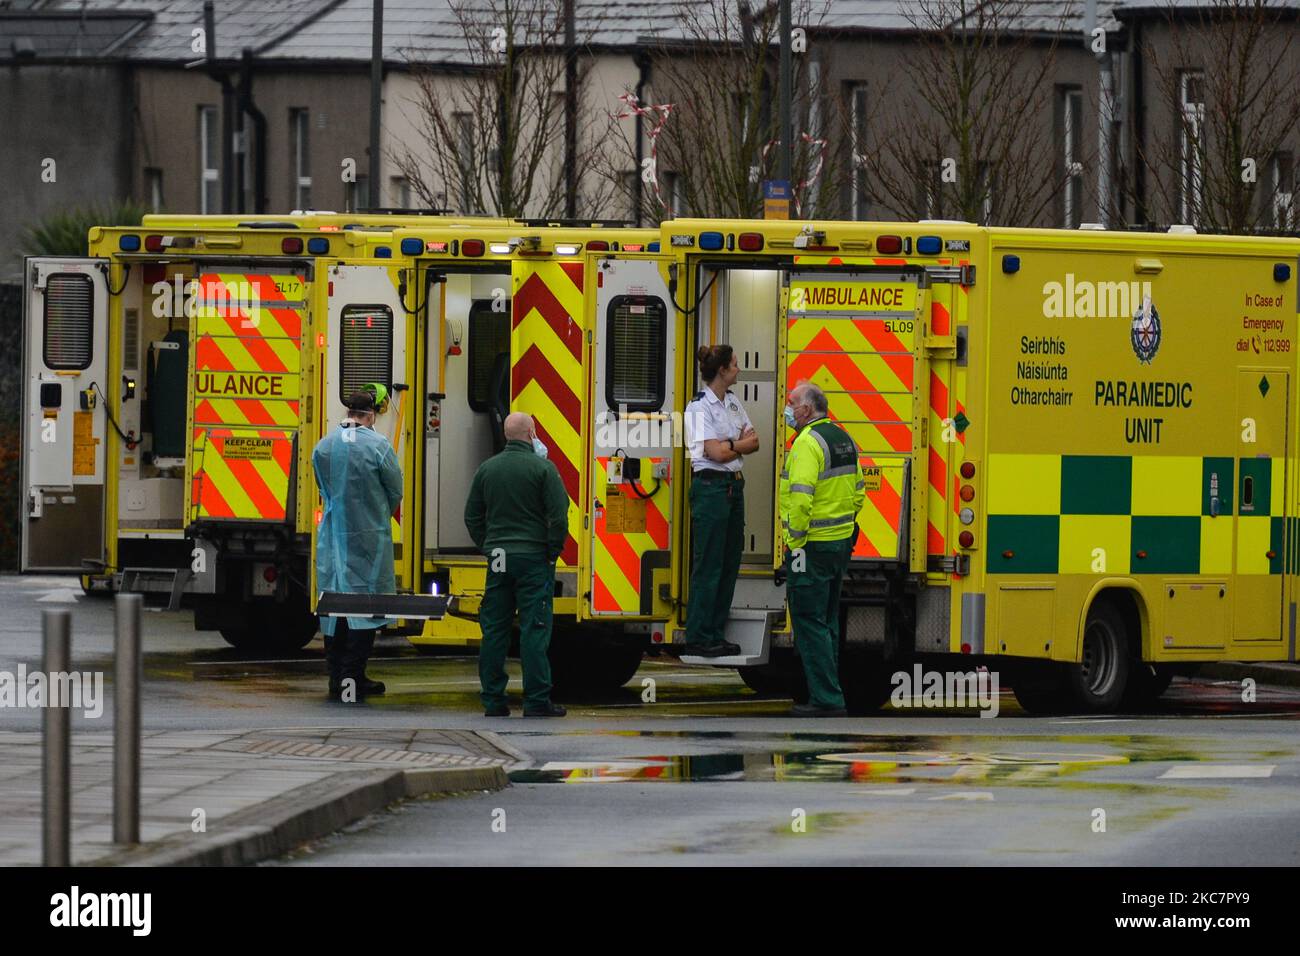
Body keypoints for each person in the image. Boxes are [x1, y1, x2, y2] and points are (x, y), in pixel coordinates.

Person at [465, 412, 569, 717]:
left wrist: (489, 545)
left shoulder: (487, 469)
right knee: (534, 628)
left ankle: (493, 701)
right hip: (533, 557)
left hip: (498, 558)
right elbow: (559, 516)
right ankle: (536, 701)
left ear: (506, 434)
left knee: (495, 628)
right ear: (532, 433)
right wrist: (552, 551)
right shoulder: (543, 469)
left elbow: (472, 516)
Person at [312, 384, 404, 702]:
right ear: (373, 415)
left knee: (335, 605)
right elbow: (395, 490)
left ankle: (337, 678)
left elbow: (323, 486)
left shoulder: (324, 446)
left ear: (348, 411)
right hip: (368, 537)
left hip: (333, 536)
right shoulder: (378, 446)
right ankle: (354, 676)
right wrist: (375, 511)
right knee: (365, 605)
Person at [778, 382, 865, 717]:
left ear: (807, 409)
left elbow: (801, 496)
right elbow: (858, 493)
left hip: (810, 547)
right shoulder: (842, 439)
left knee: (808, 619)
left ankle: (826, 699)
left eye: (792, 403)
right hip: (839, 543)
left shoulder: (806, 444)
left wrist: (794, 542)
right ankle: (830, 692)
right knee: (827, 620)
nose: (788, 409)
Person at [682, 344, 759, 657]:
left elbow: (754, 441)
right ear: (723, 370)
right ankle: (699, 635)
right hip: (711, 489)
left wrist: (731, 444)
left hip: (732, 487)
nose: (739, 369)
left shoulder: (732, 402)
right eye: (736, 364)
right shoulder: (697, 408)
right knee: (709, 565)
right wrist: (734, 444)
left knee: (728, 564)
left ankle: (715, 632)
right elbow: (714, 454)